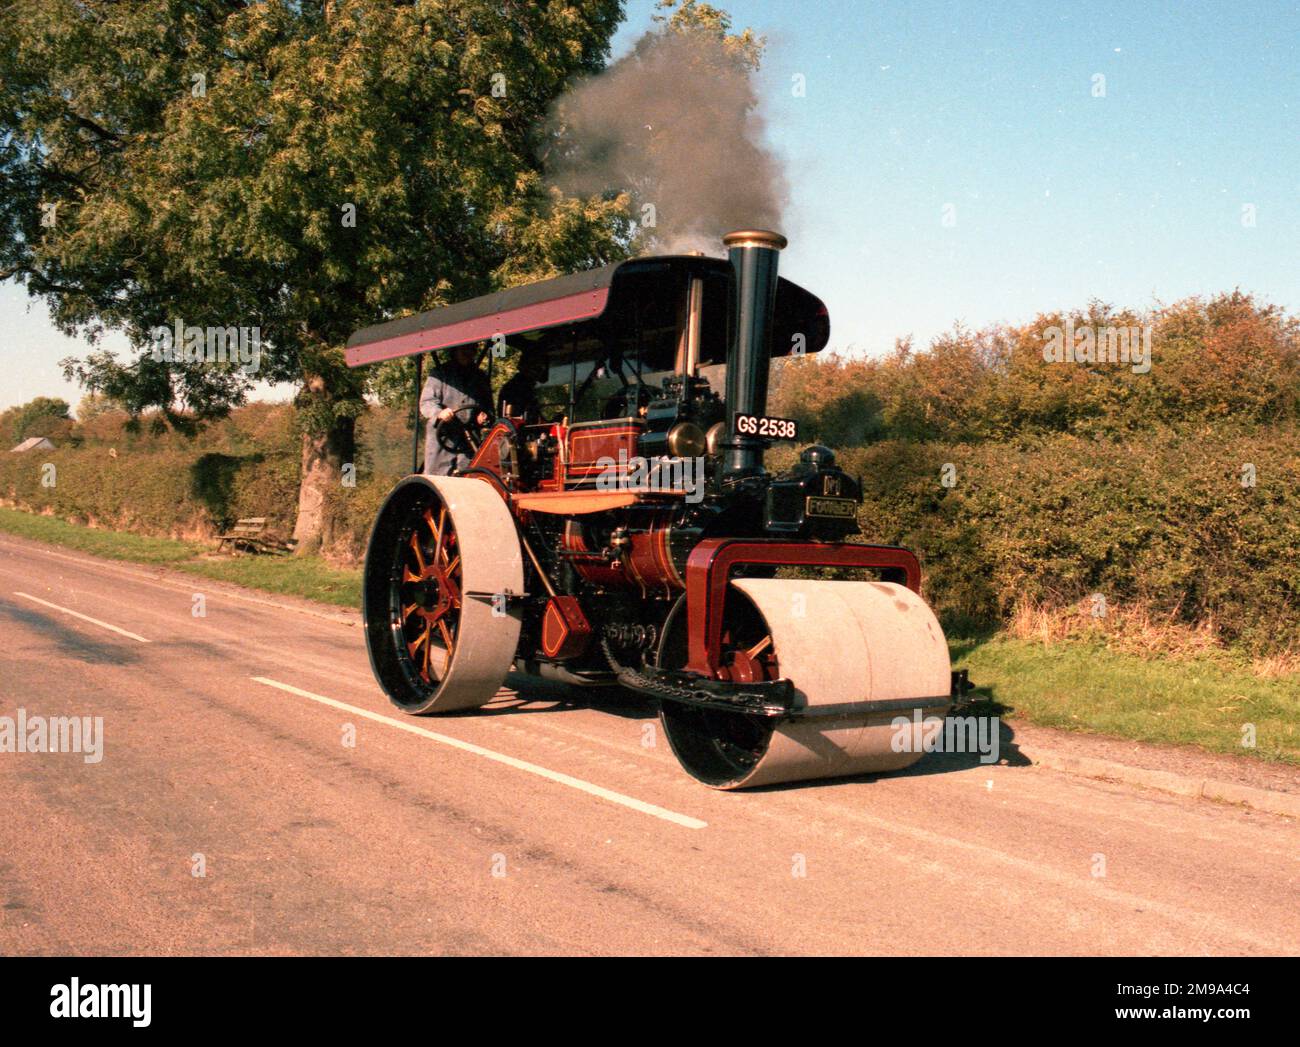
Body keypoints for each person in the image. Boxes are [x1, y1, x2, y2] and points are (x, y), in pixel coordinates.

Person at [419, 345, 492, 475]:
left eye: (471, 350)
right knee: (438, 478)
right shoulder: (439, 374)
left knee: (469, 477)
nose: (467, 353)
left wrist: (484, 415)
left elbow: (488, 407)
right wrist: (440, 413)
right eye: (463, 350)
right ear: (454, 352)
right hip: (442, 438)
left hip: (469, 440)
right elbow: (427, 402)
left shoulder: (480, 377)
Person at [496, 352, 548, 423]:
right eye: (537, 368)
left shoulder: (528, 388)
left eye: (540, 370)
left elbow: (536, 415)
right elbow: (519, 416)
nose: (539, 373)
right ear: (526, 367)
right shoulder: (514, 388)